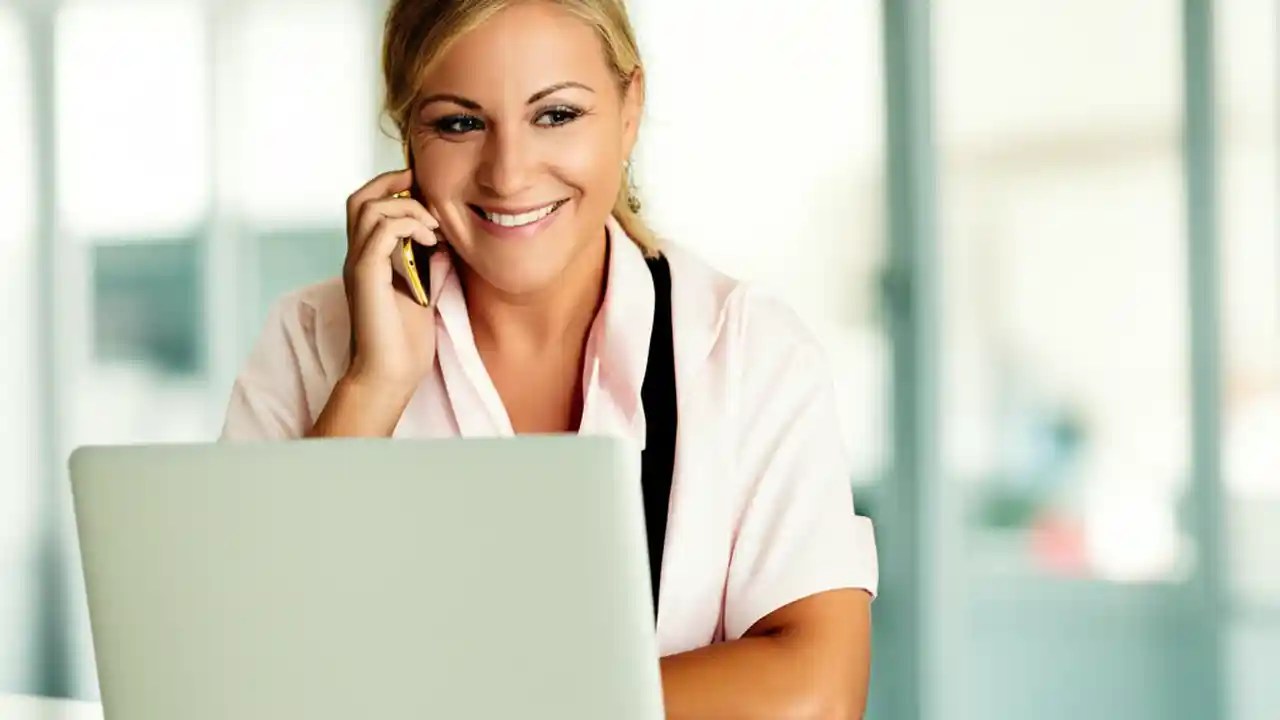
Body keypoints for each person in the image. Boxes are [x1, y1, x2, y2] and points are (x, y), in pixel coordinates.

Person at [222, 0, 878, 716]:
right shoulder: (312, 342)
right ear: (409, 136)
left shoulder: (747, 352)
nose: (508, 175)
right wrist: (372, 387)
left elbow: (817, 693)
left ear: (630, 109)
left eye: (556, 115)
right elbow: (237, 676)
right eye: (459, 123)